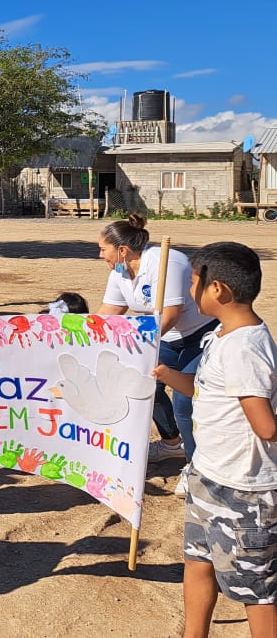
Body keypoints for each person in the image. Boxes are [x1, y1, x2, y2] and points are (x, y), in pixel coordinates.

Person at [153, 242, 277, 638]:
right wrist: (164, 374)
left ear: (218, 289)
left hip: (244, 491)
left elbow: (266, 427)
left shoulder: (245, 348)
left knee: (255, 591)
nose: (191, 292)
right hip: (207, 476)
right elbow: (205, 391)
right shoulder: (221, 337)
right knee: (198, 561)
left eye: (193, 283)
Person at [96, 213, 216, 481]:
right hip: (164, 337)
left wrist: (140, 345)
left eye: (103, 249)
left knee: (185, 399)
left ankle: (195, 467)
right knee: (143, 385)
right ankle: (172, 444)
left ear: (122, 250)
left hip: (199, 333)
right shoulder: (119, 272)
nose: (100, 255)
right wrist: (84, 338)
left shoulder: (166, 262)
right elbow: (109, 312)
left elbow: (171, 314)